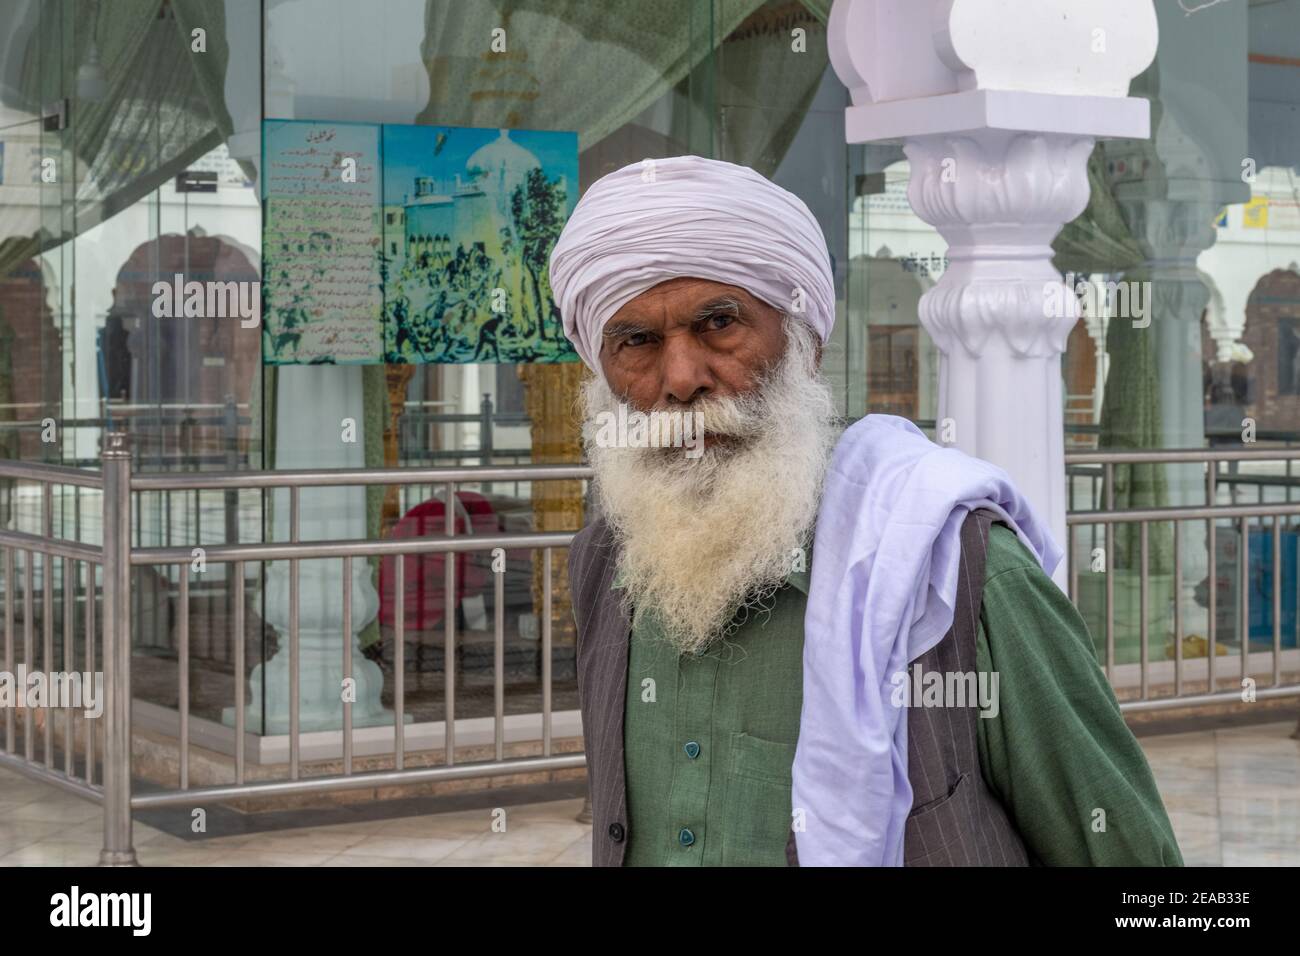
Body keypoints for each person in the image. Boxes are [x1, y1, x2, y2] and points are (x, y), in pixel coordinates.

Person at [548, 155, 1182, 867]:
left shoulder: (957, 569)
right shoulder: (605, 561)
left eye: (719, 324)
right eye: (637, 341)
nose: (682, 379)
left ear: (805, 344)